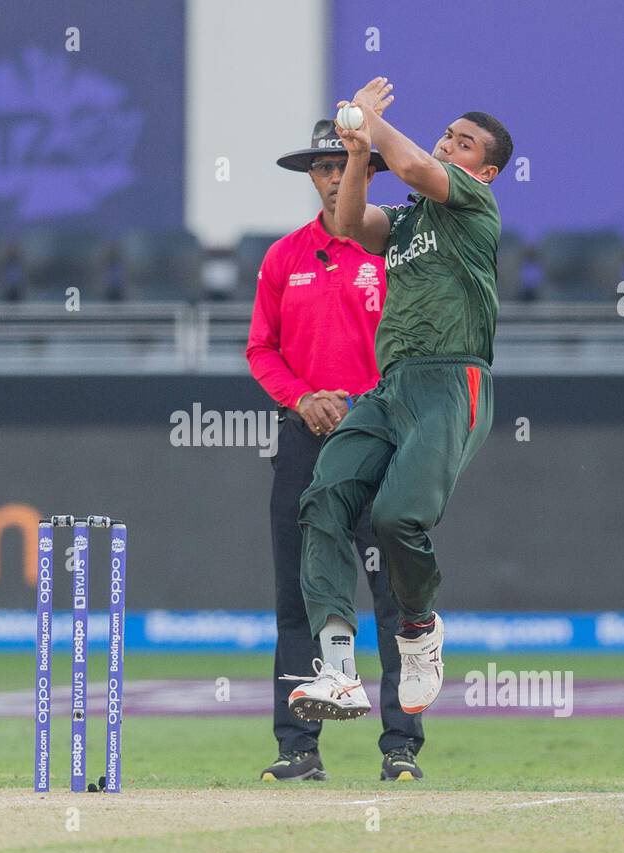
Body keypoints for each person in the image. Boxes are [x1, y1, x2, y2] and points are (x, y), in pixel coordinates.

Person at [285, 79, 513, 733]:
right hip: (391, 389)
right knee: (324, 493)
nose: (447, 144)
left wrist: (371, 122)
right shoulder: (410, 221)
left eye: (462, 143)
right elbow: (349, 224)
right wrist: (357, 151)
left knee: (396, 518)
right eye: (447, 134)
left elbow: (413, 164)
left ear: (486, 169)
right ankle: (336, 668)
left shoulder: (473, 204)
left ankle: (419, 629)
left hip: (453, 382)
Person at [246, 120, 426, 782]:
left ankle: (400, 745)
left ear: (366, 173)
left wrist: (367, 405)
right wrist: (302, 399)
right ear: (312, 176)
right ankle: (299, 744)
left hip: (379, 439)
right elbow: (260, 349)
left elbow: (417, 348)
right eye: (322, 166)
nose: (332, 176)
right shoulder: (283, 257)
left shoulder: (393, 253)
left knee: (395, 598)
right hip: (306, 441)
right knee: (299, 596)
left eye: (343, 164)